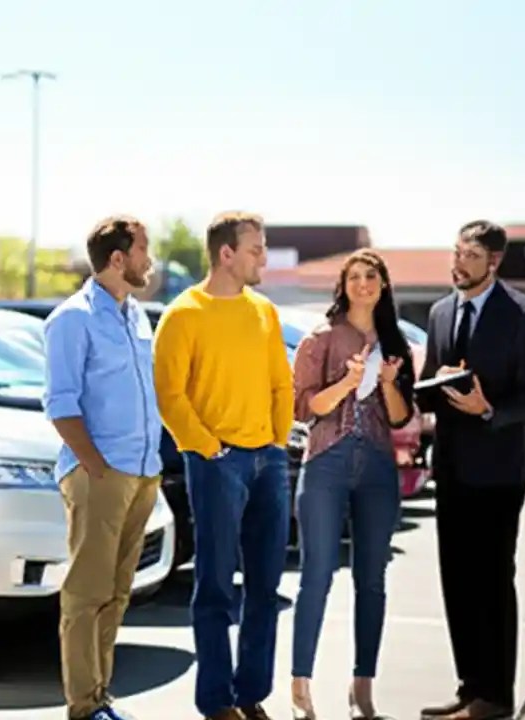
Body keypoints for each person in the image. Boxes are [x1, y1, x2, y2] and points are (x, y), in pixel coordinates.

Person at [153, 211, 294, 720]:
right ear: (226, 253)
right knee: (215, 585)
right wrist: (209, 449)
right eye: (255, 248)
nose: (263, 258)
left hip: (269, 464)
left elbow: (282, 382)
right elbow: (170, 396)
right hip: (217, 465)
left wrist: (276, 443)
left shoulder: (264, 312)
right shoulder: (183, 314)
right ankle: (216, 703)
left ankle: (250, 694)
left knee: (265, 586)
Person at [418, 221, 525, 720]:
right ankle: (469, 687)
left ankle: (496, 697)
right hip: (450, 466)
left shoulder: (524, 314)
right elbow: (433, 380)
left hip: (500, 471)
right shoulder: (439, 311)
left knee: (493, 580)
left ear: (493, 261)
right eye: (455, 251)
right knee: (456, 580)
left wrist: (487, 410)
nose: (458, 262)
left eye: (469, 255)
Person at [43, 214, 163, 720]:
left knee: (116, 593)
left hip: (142, 471)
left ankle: (101, 698)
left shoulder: (136, 314)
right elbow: (60, 402)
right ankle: (83, 706)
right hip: (101, 474)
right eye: (144, 251)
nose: (150, 261)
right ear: (119, 259)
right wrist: (94, 466)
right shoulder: (72, 318)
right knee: (86, 593)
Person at [287, 249, 415, 720]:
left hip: (378, 468)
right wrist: (347, 383)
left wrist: (384, 383)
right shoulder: (320, 339)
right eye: (355, 276)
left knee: (372, 580)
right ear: (342, 286)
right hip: (326, 463)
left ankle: (362, 690)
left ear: (383, 284)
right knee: (316, 575)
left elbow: (402, 416)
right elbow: (305, 408)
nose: (364, 283)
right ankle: (301, 684)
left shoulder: (394, 340)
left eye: (372, 275)